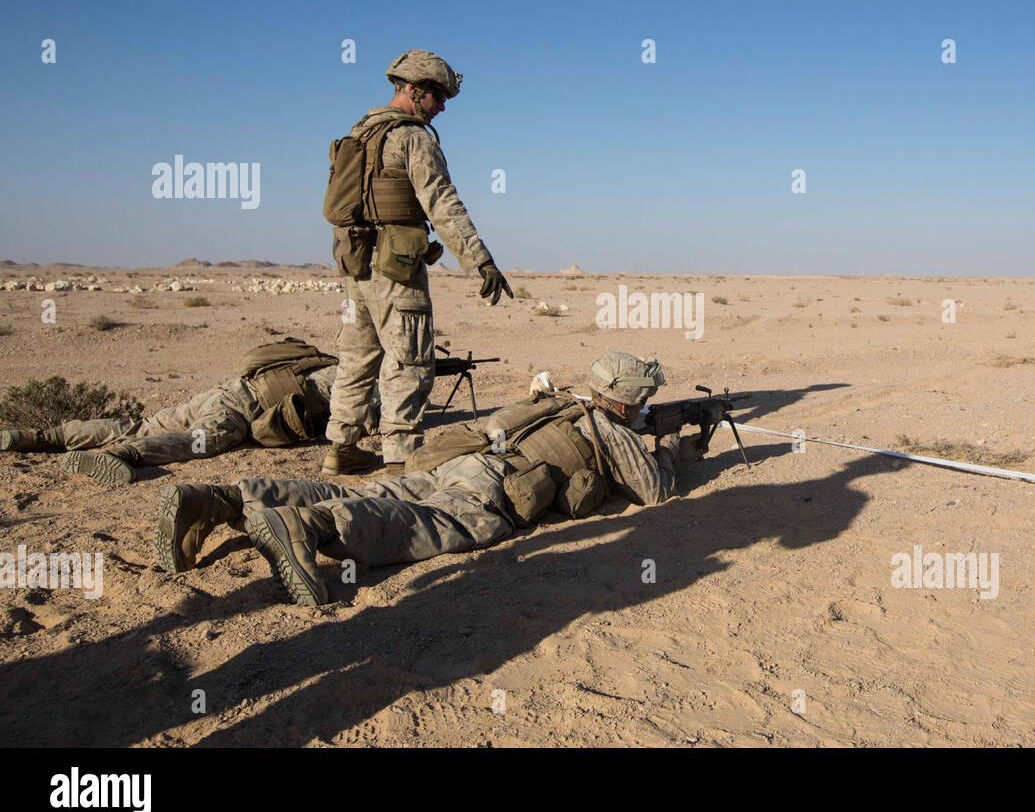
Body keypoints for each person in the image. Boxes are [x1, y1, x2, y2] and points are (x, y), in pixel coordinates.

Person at [153, 352, 704, 604]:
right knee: (424, 523)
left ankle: (221, 499)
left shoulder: (560, 398)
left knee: (368, 490)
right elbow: (656, 493)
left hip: (452, 458)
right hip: (490, 488)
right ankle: (310, 527)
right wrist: (674, 449)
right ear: (632, 402)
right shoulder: (611, 430)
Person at [322, 49, 512, 478]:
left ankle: (341, 446)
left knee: (356, 358)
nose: (442, 106)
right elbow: (442, 204)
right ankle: (400, 459)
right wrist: (480, 261)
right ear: (412, 90)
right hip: (395, 268)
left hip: (355, 264)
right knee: (408, 359)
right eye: (437, 96)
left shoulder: (360, 131)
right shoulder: (413, 138)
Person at [0, 339, 341, 496]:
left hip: (221, 393)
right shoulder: (346, 377)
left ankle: (42, 437)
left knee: (140, 425)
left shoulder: (322, 361)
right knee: (200, 442)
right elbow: (355, 411)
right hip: (238, 408)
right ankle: (120, 455)